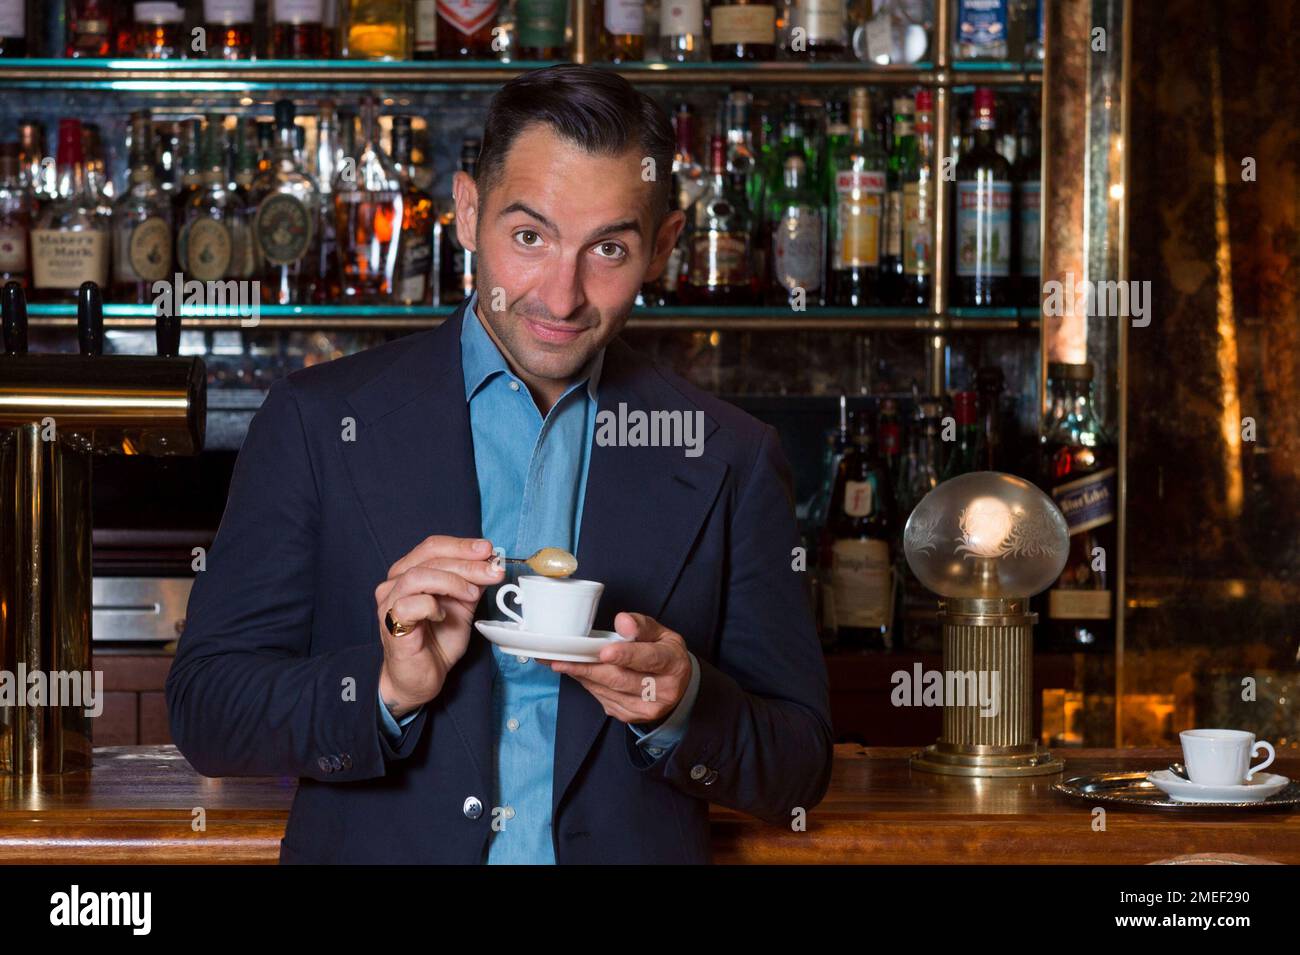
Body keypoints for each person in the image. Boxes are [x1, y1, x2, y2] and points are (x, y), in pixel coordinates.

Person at [166, 64, 833, 864]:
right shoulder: (316, 420)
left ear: (662, 248)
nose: (561, 296)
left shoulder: (731, 454)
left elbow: (798, 761)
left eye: (609, 250)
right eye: (529, 237)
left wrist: (682, 702)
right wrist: (383, 689)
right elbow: (207, 710)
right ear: (467, 212)